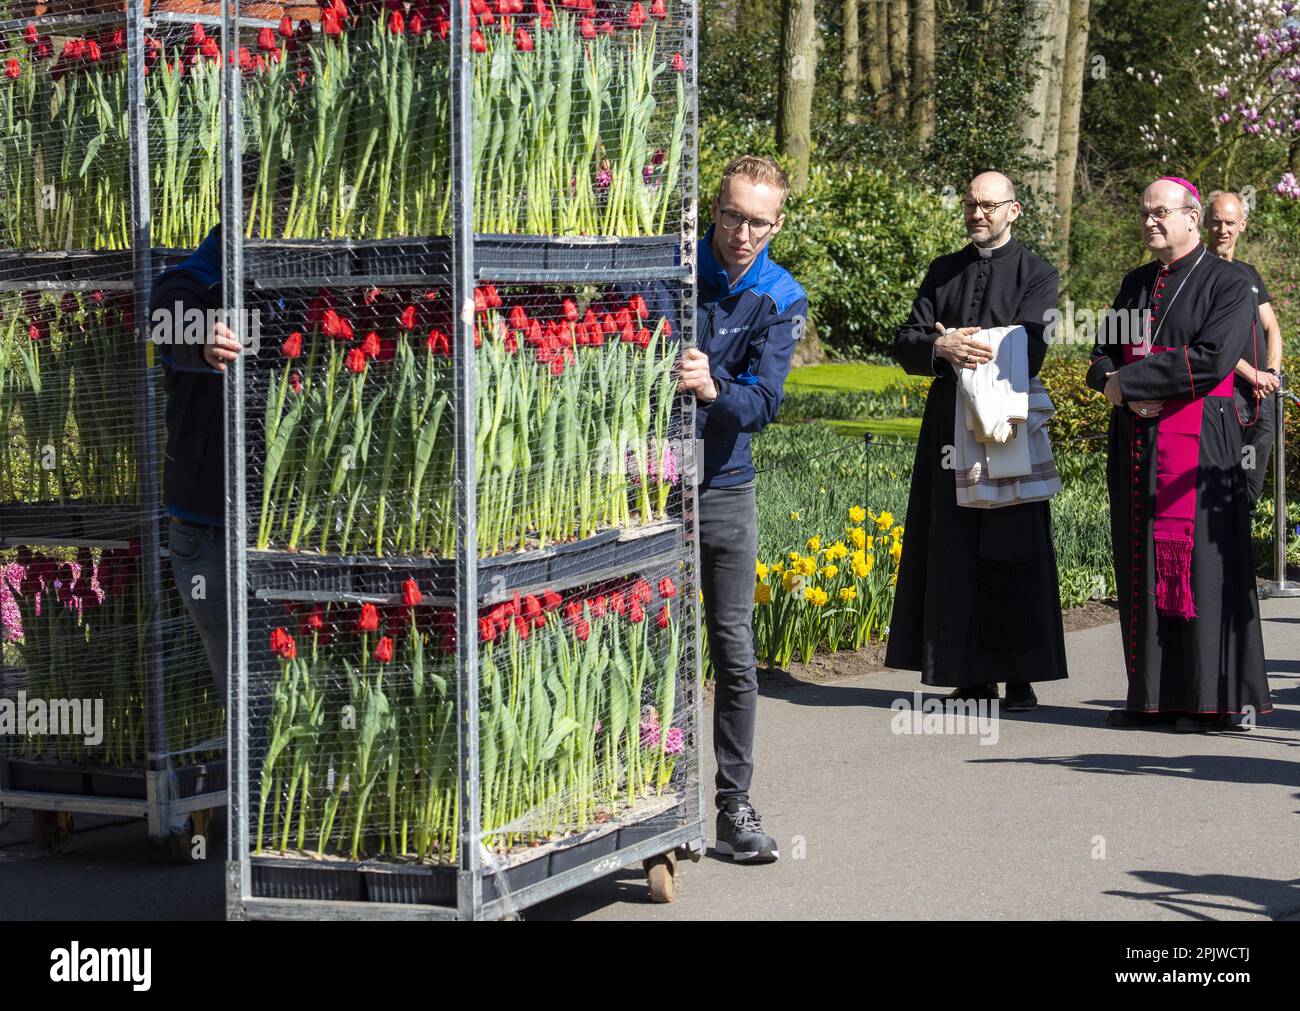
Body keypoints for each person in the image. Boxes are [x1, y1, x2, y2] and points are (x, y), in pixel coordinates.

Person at [1085, 177, 1271, 732]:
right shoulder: (1135, 283)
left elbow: (1214, 358)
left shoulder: (1229, 281)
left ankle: (1207, 700)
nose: (1150, 223)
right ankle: (1151, 697)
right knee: (1140, 561)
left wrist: (1133, 384)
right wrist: (1111, 383)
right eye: (1144, 214)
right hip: (1138, 445)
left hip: (1203, 445)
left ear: (1193, 217)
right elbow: (1100, 354)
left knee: (1204, 570)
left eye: (1160, 213)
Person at [886, 171, 1067, 711]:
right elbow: (906, 341)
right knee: (955, 542)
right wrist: (941, 349)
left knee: (1012, 545)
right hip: (948, 426)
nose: (977, 213)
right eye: (971, 204)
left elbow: (1032, 347)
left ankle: (1019, 675)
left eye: (989, 205)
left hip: (1006, 422)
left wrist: (966, 344)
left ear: (1013, 210)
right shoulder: (943, 271)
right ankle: (968, 672)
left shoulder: (1038, 274)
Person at [685, 155, 806, 863]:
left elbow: (763, 403)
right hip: (649, 480)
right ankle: (650, 793)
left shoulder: (780, 296)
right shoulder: (670, 268)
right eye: (732, 215)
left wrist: (710, 389)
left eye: (758, 222)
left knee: (734, 649)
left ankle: (734, 808)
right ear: (715, 208)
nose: (741, 232)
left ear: (776, 225)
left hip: (726, 482)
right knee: (650, 644)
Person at [149, 224, 240, 702]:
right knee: (247, 686)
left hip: (295, 531)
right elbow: (171, 318)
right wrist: (203, 340)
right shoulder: (190, 281)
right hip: (211, 533)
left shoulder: (293, 275)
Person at [1203, 190, 1284, 507]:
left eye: (1230, 223)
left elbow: (1272, 328)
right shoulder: (1198, 272)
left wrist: (1271, 373)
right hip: (1222, 395)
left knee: (1249, 483)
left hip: (1260, 396)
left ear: (1243, 225)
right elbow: (1205, 338)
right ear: (1205, 223)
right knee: (1219, 483)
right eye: (1217, 222)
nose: (1223, 230)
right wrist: (1251, 374)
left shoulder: (1250, 273)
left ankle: (1242, 551)